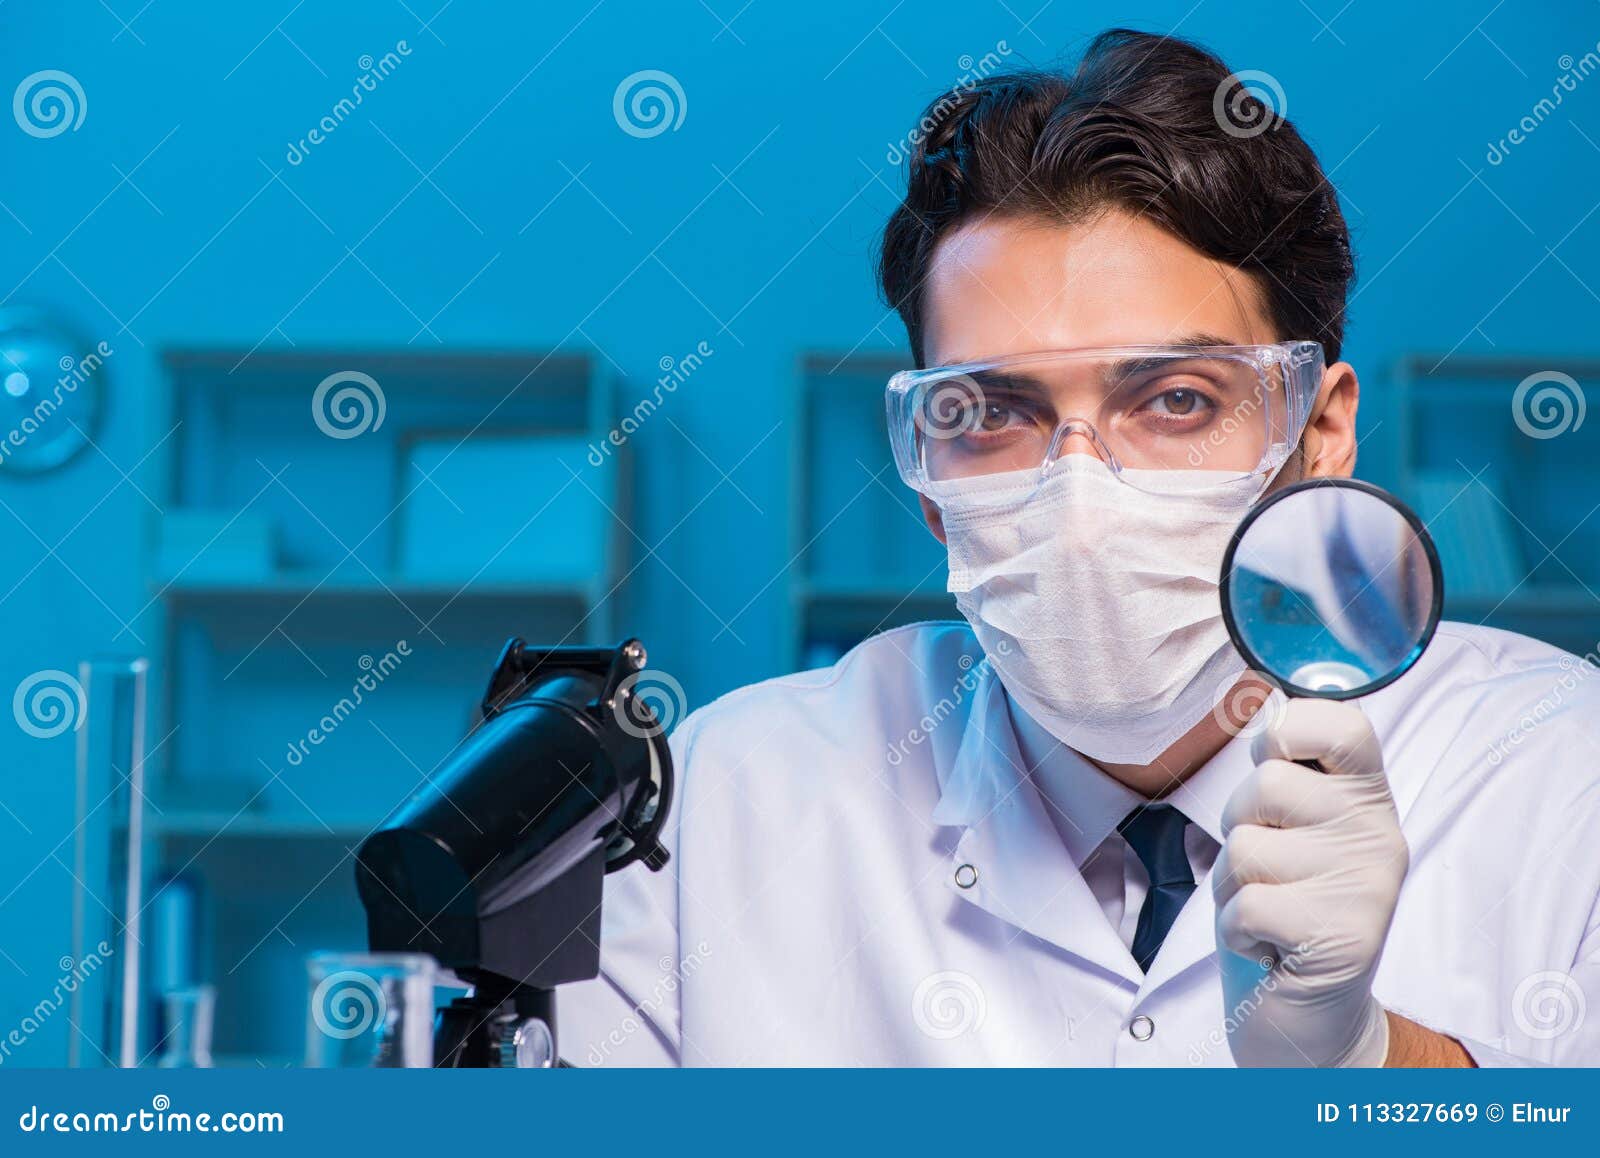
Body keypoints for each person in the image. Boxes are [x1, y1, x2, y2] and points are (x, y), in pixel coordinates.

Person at [561, 28, 1600, 1066]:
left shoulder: (1559, 774)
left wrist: (1367, 1063)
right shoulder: (711, 811)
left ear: (1318, 434)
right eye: (991, 414)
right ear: (928, 485)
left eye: (1178, 401)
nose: (1079, 501)